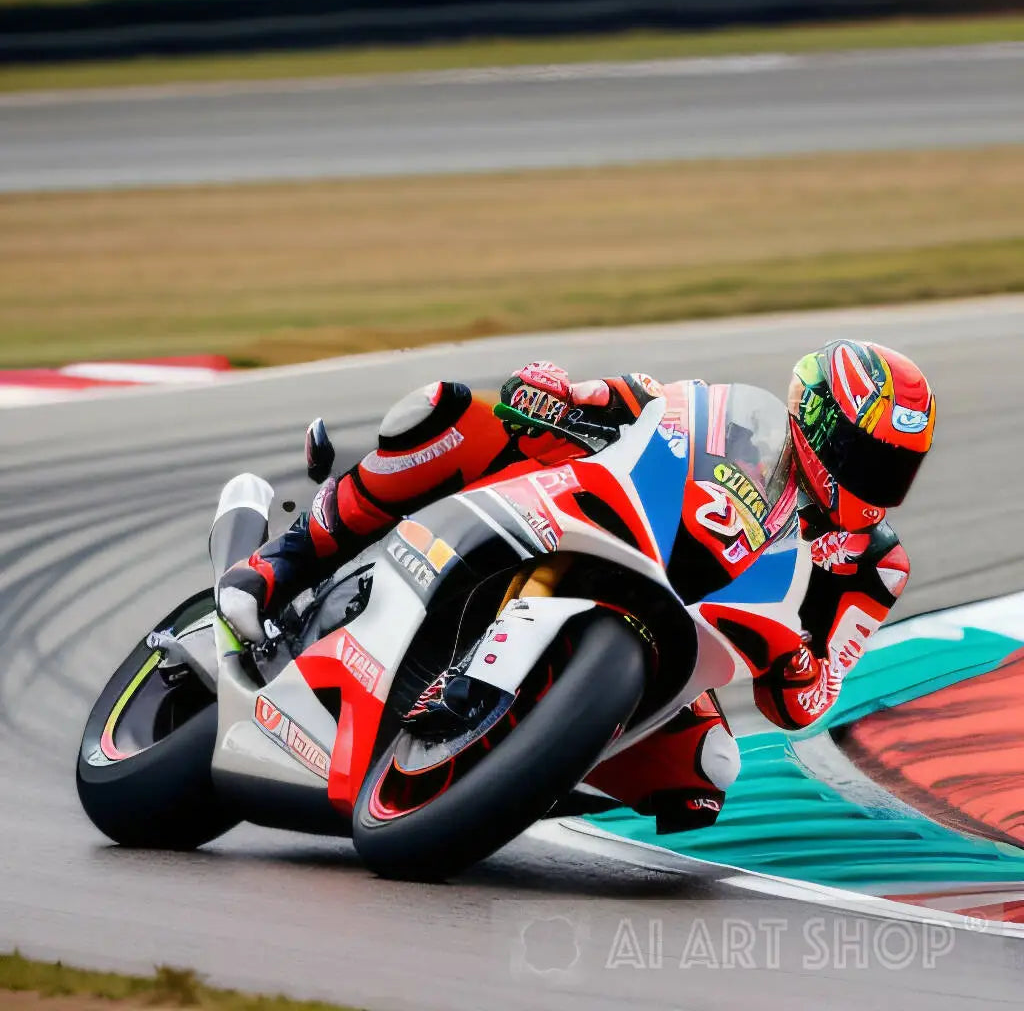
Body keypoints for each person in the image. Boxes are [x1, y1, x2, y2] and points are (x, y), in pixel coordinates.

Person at [218, 341, 936, 833]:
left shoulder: (876, 566)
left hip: (683, 642)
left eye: (895, 468)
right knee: (450, 414)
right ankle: (279, 562)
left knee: (705, 772)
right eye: (865, 457)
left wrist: (801, 662)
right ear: (815, 419)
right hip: (598, 529)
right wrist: (563, 394)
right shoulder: (739, 426)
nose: (877, 482)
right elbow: (633, 399)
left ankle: (519, 768)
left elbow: (808, 701)